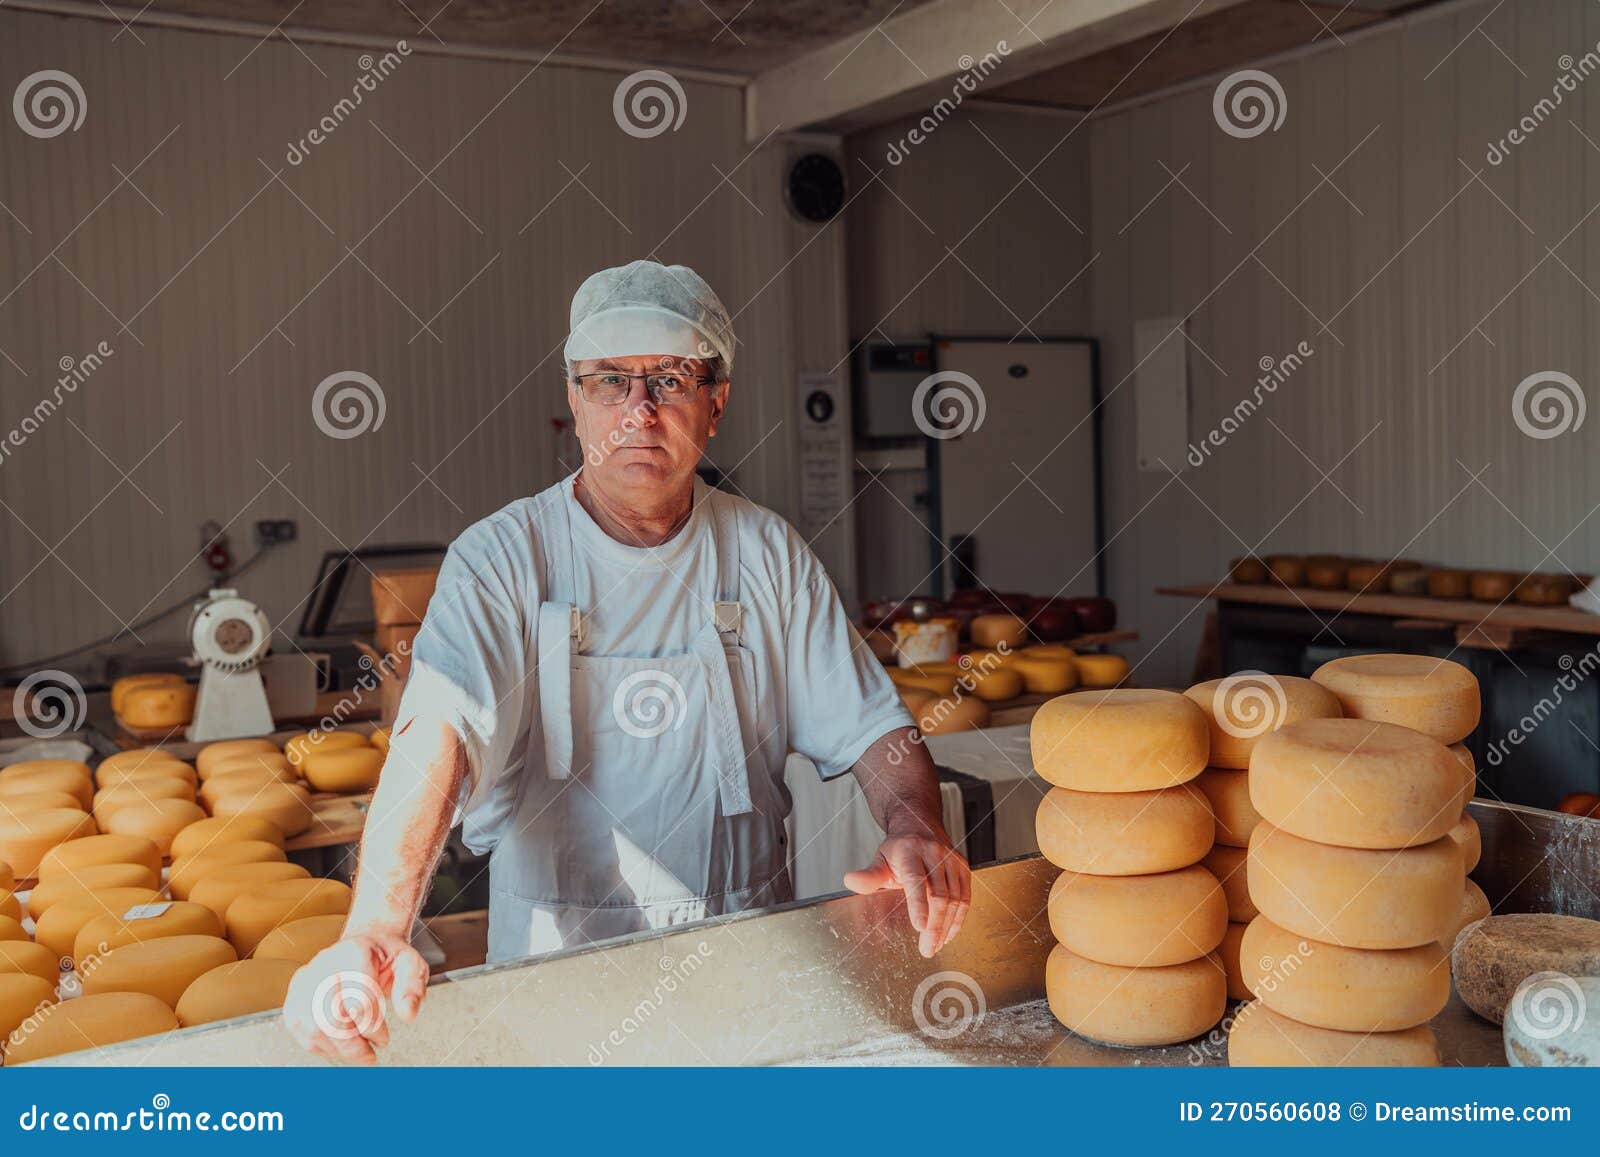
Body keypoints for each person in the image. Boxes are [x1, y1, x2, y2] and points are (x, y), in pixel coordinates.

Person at [284, 260, 970, 1062]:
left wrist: (915, 824)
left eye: (671, 379)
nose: (638, 411)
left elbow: (872, 728)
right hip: (553, 988)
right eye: (610, 381)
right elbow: (438, 729)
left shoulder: (765, 553)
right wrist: (375, 926)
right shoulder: (507, 556)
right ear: (574, 401)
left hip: (741, 969)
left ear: (716, 403)